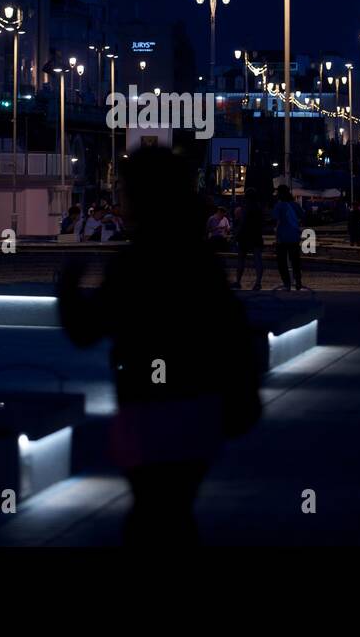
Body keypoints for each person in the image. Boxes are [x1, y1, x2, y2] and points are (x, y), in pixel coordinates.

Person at [56, 147, 262, 545]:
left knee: (151, 514)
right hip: (199, 412)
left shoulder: (135, 263)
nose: (121, 202)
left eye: (126, 192)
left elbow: (86, 331)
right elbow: (230, 328)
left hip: (147, 414)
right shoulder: (199, 259)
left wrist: (67, 289)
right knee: (173, 510)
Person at [271, 185, 305, 291]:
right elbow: (303, 216)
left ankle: (287, 283)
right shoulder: (295, 205)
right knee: (295, 260)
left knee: (282, 262)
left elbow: (274, 218)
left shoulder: (279, 206)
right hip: (294, 236)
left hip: (282, 237)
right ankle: (298, 280)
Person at [232, 189, 265, 291]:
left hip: (245, 235)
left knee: (241, 258)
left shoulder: (246, 208)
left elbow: (243, 222)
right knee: (257, 259)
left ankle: (238, 281)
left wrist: (236, 235)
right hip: (256, 235)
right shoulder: (259, 208)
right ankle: (258, 282)